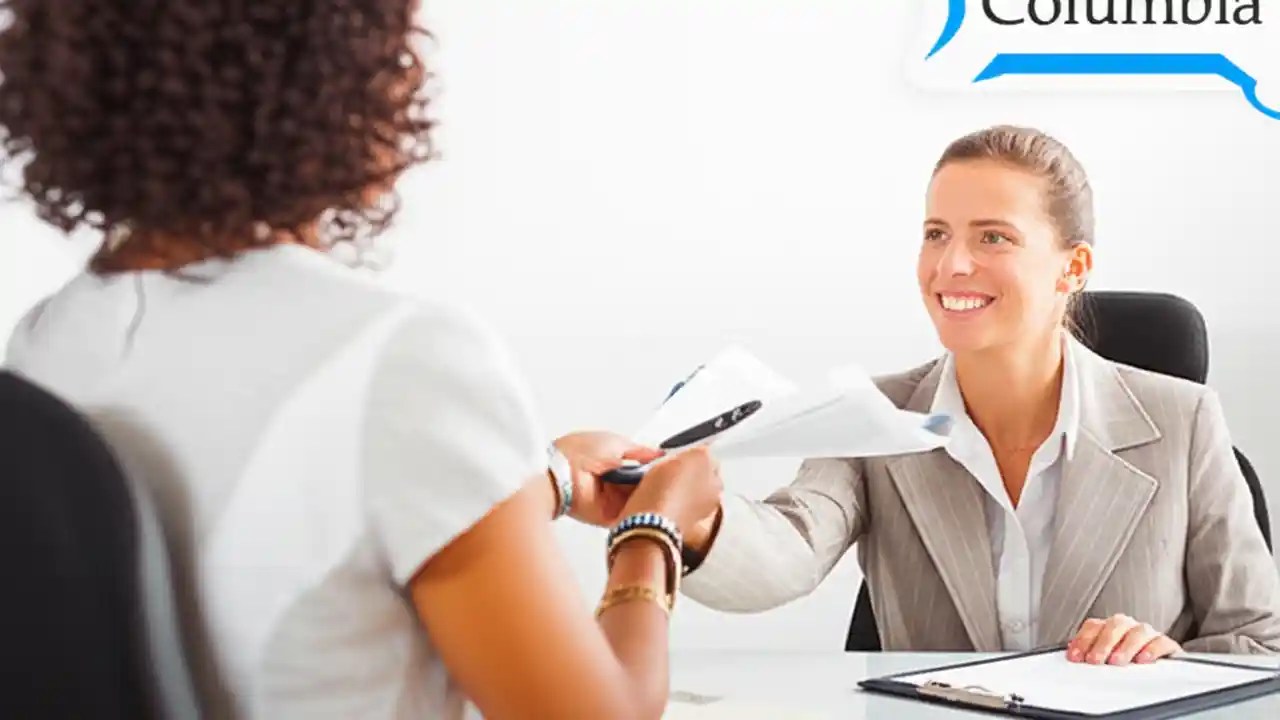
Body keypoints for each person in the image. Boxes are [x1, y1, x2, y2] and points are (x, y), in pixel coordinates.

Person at [0, 2, 722, 719]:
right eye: (394, 52)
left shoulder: (49, 341)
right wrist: (651, 533)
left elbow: (272, 526)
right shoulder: (400, 357)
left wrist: (545, 483)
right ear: (327, 76)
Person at [675, 125, 1280, 663]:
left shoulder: (1185, 421)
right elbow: (789, 550)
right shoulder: (876, 417)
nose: (951, 264)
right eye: (936, 233)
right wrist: (694, 518)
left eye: (993, 238)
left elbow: (1259, 642)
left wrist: (1165, 666)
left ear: (1072, 269)